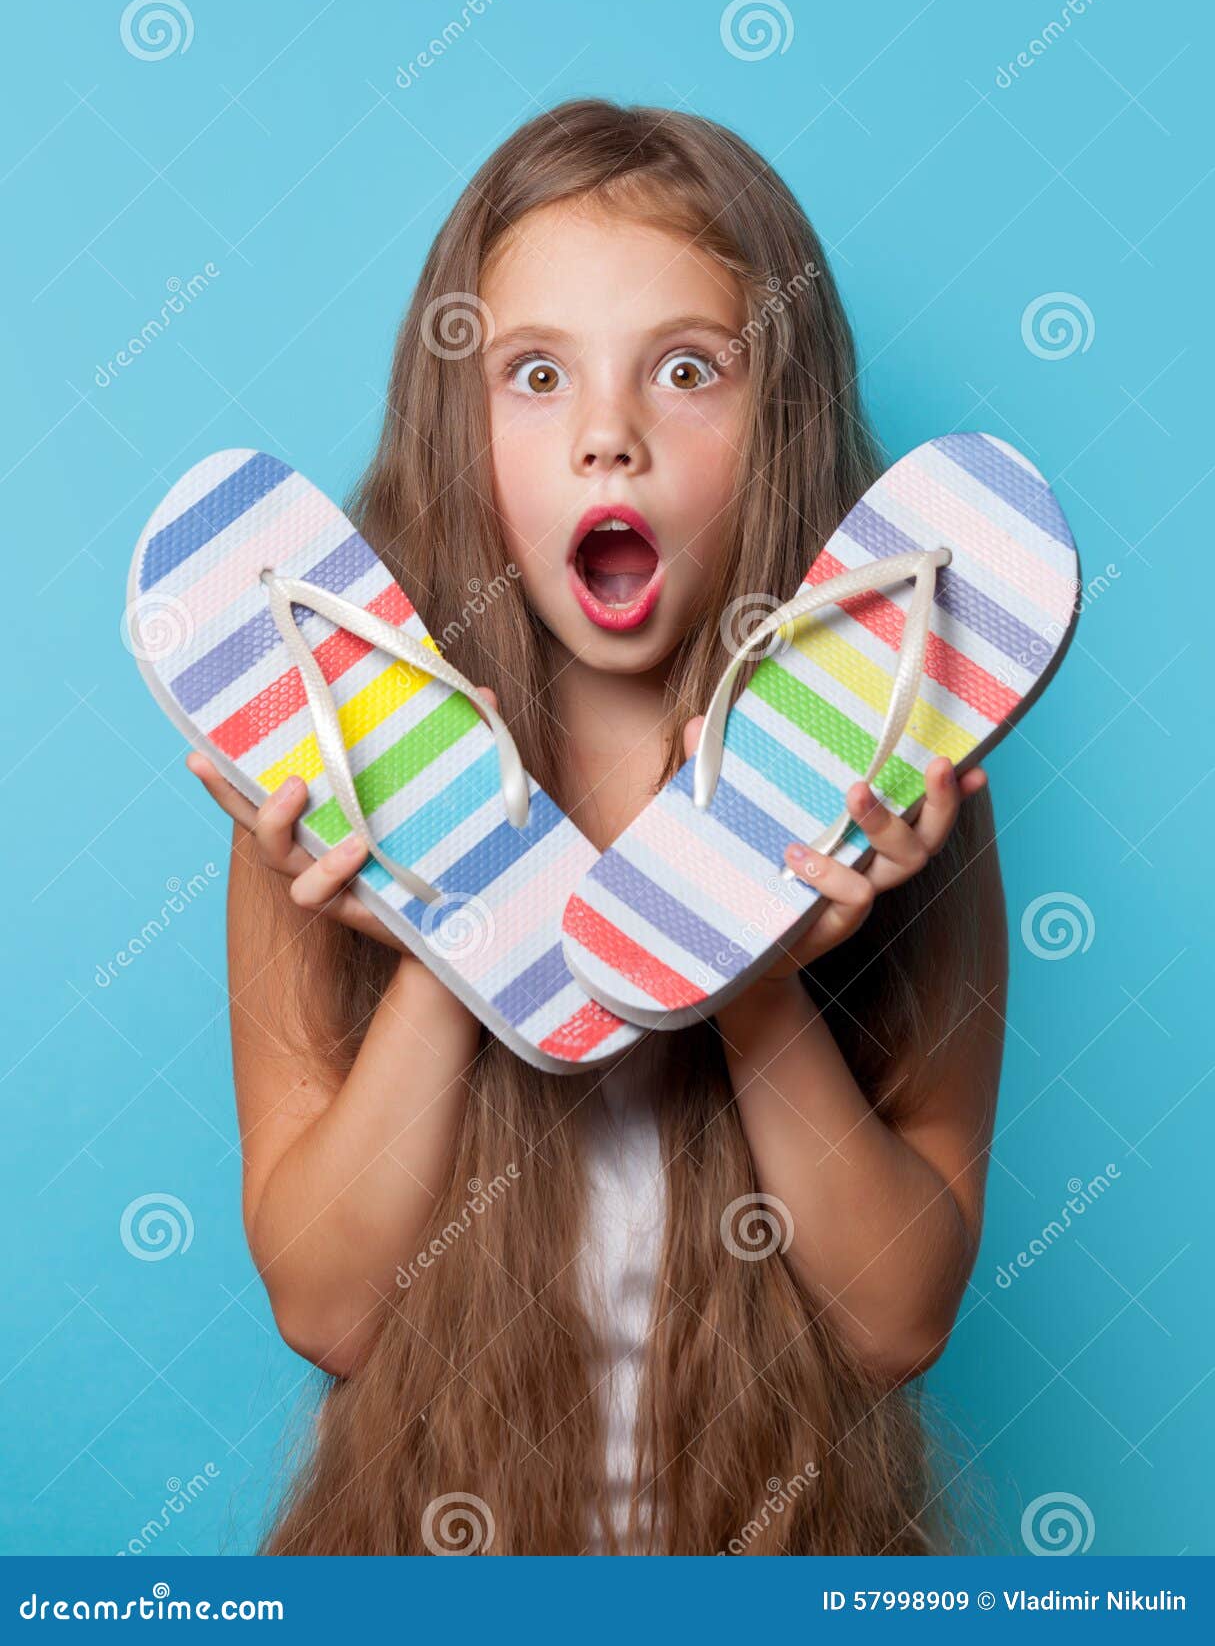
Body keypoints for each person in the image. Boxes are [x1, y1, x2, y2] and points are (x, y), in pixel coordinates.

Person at [186, 99, 1004, 1555]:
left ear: (783, 418)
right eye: (536, 374)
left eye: (687, 369)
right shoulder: (328, 785)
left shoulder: (893, 779)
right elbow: (326, 1306)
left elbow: (900, 1316)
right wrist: (452, 910)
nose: (609, 439)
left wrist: (746, 968)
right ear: (454, 413)